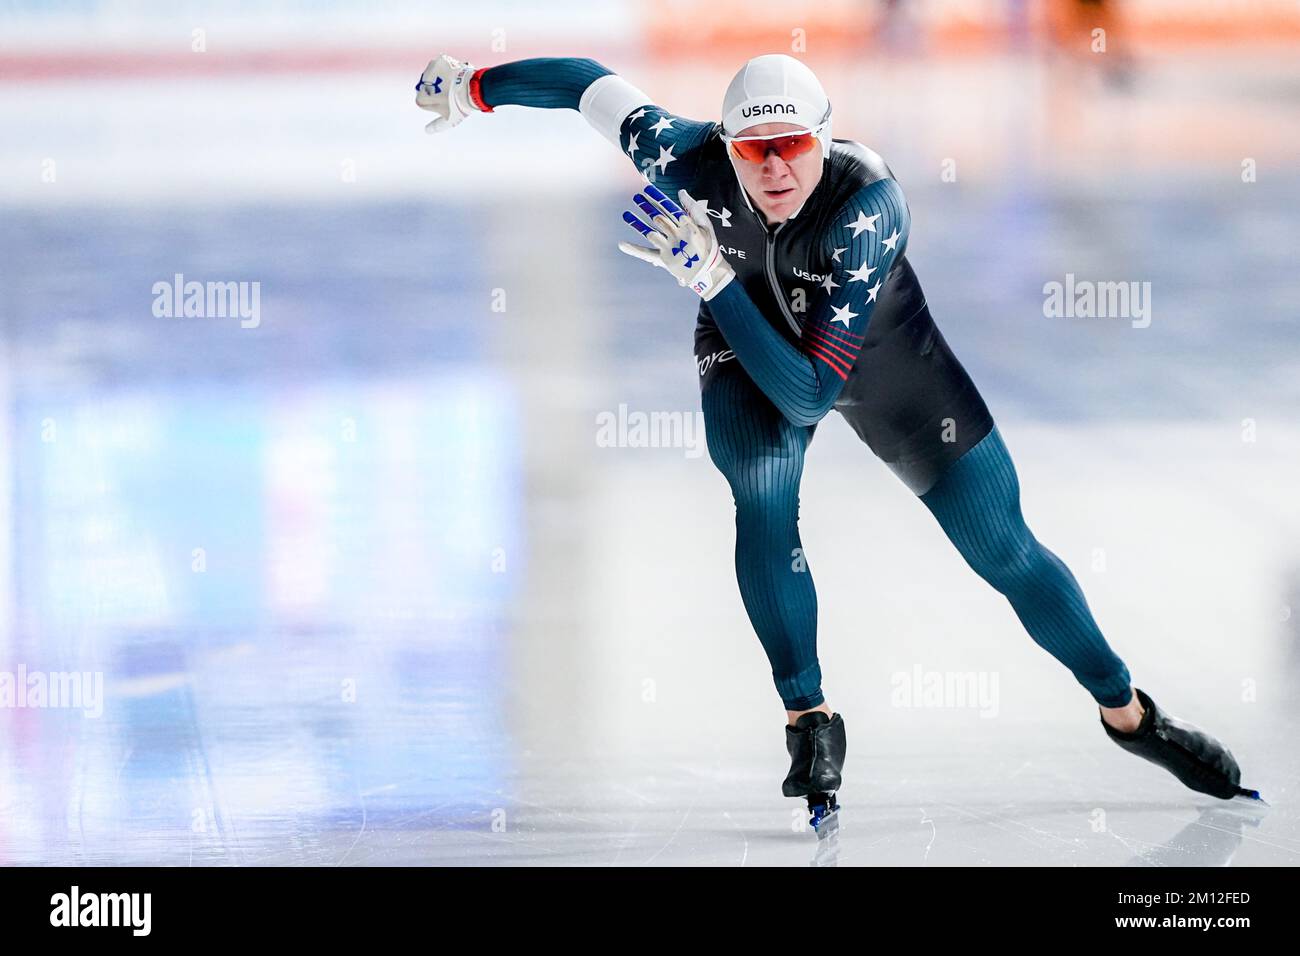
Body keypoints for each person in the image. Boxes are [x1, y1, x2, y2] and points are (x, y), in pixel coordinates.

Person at [414, 52, 1258, 830]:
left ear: (823, 136)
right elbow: (584, 84)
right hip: (743, 350)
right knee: (761, 489)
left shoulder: (867, 204)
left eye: (791, 144)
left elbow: (815, 392)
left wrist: (712, 277)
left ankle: (1129, 712)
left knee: (1003, 548)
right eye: (753, 149)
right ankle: (808, 716)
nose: (774, 166)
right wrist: (475, 84)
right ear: (726, 145)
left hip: (882, 365)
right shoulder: (681, 155)